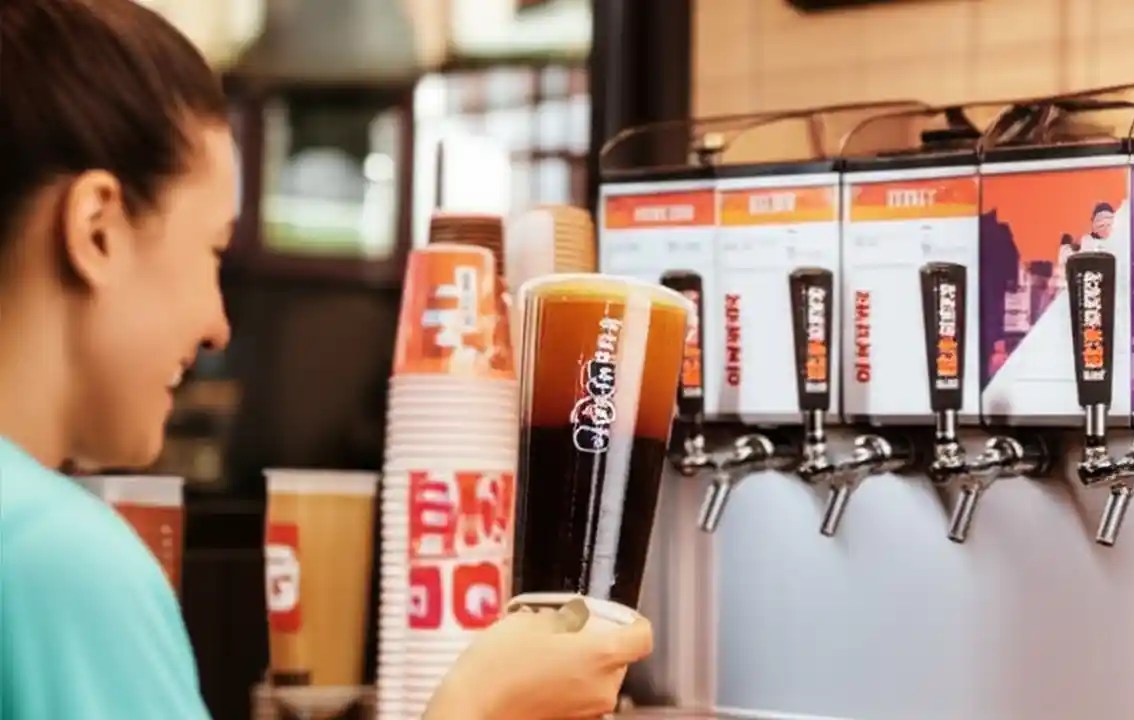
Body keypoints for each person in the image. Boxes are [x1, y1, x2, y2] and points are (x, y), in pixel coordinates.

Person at [0, 2, 652, 719]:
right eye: (212, 250)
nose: (218, 325)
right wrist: (476, 706)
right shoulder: (60, 563)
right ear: (97, 231)